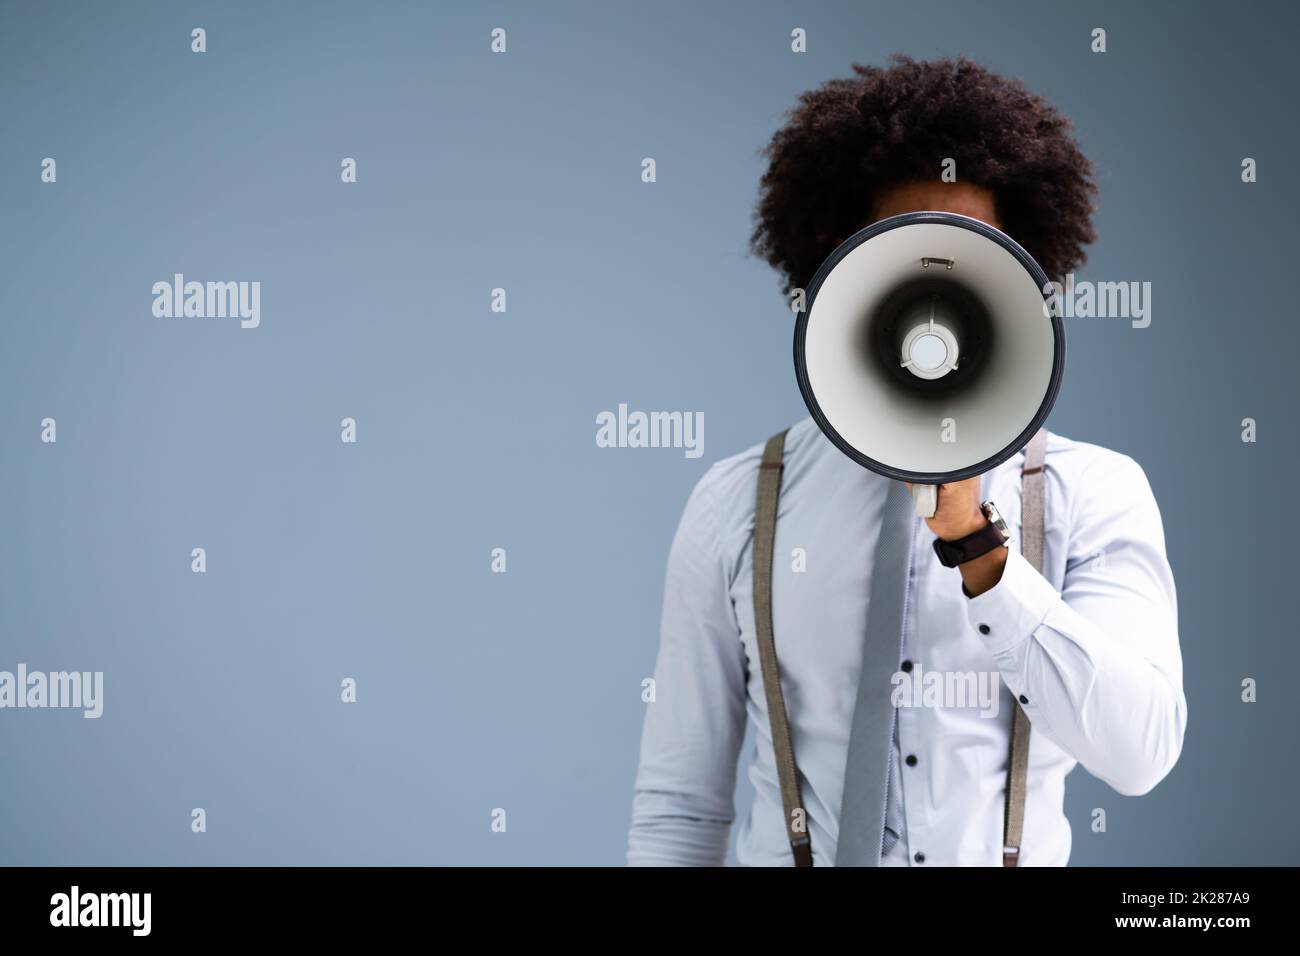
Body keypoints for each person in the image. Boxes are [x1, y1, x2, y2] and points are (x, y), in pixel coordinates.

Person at [627, 56, 1186, 866]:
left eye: (972, 251)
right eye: (909, 247)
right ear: (836, 268)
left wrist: (983, 552)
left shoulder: (1092, 494)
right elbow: (680, 811)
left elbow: (1140, 753)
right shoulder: (737, 505)